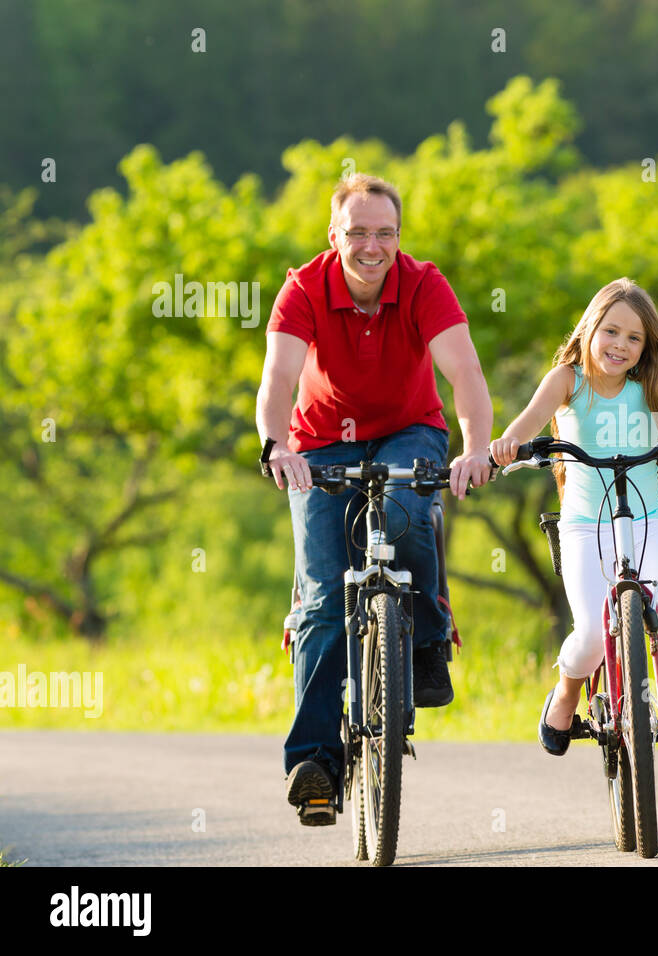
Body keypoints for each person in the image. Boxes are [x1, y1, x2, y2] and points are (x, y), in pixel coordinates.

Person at [256, 174, 494, 823]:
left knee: (408, 508)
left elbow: (465, 373)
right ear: (334, 237)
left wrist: (476, 448)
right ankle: (315, 763)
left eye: (384, 232)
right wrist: (276, 446)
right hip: (319, 442)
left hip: (408, 428)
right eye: (358, 232)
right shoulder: (304, 288)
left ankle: (427, 638)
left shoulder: (422, 284)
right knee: (324, 596)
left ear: (398, 236)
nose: (372, 245)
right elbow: (278, 376)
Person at [489, 278, 658, 755]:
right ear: (589, 328)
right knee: (590, 631)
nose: (621, 346)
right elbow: (526, 422)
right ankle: (566, 697)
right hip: (585, 526)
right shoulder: (567, 381)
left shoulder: (650, 383)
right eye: (611, 331)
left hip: (648, 519)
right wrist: (506, 445)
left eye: (635, 338)